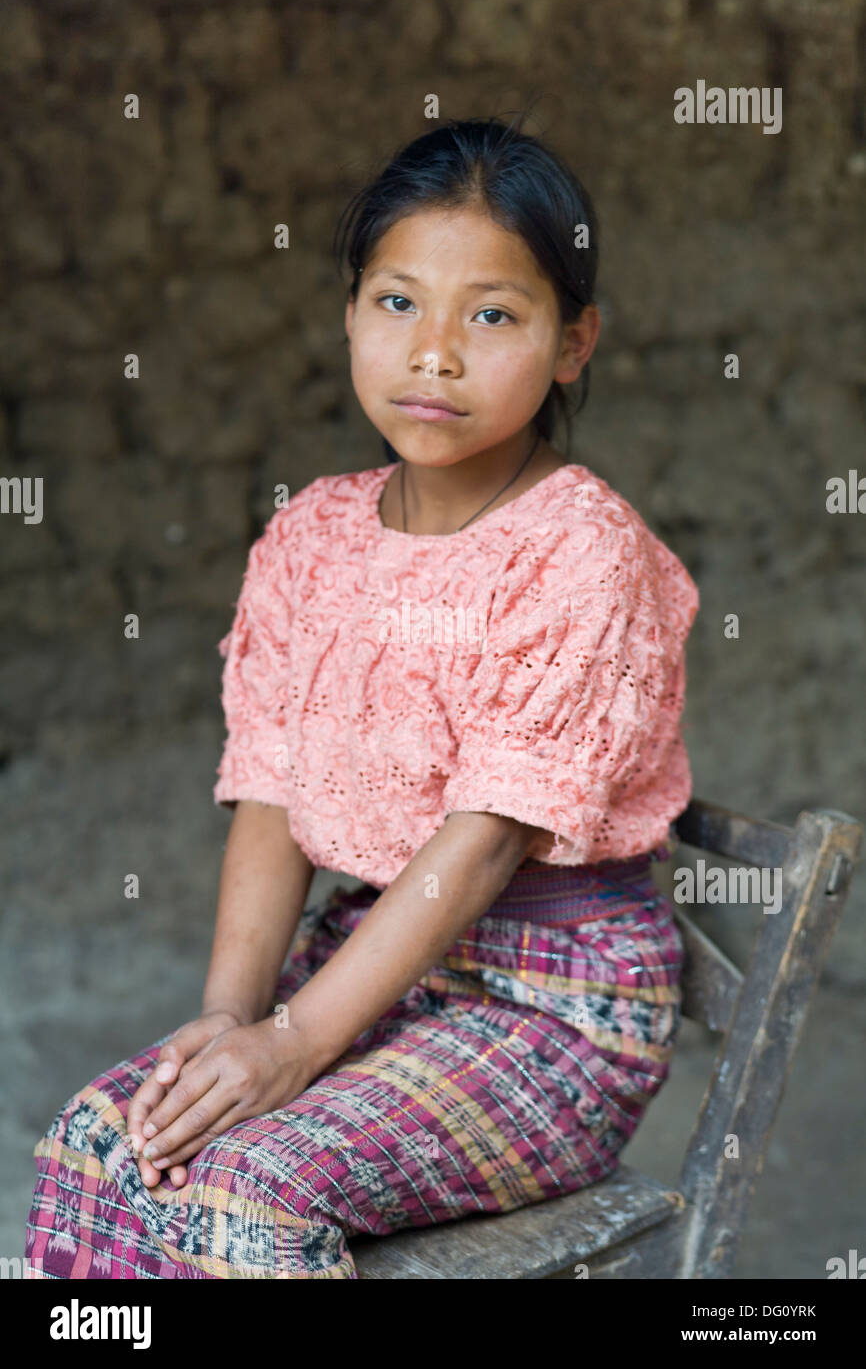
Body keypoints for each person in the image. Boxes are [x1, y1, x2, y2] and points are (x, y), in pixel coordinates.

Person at [25, 114, 699, 1279]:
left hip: (550, 1014)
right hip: (386, 977)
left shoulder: (577, 551)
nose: (433, 349)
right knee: (100, 1146)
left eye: (491, 314)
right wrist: (234, 1021)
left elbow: (486, 844)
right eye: (397, 302)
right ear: (348, 316)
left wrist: (295, 1044)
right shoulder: (312, 534)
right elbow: (270, 786)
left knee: (245, 1189)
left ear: (572, 342)